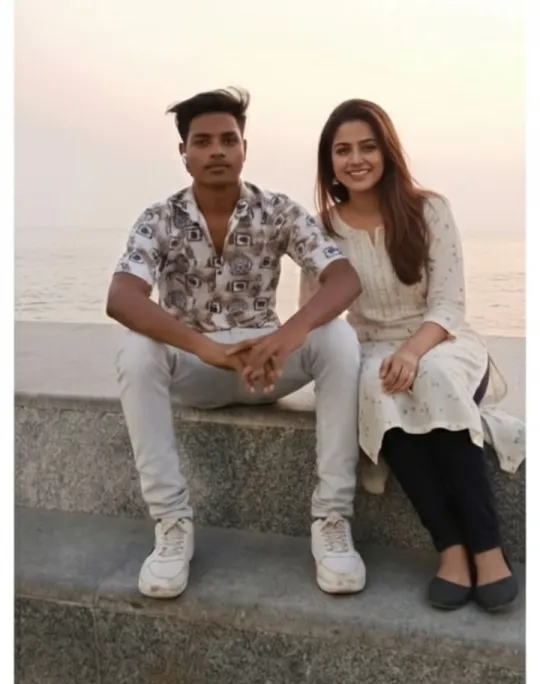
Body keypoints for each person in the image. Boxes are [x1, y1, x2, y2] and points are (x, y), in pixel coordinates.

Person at [107, 87, 365, 599]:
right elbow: (121, 297)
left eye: (229, 139)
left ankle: (332, 520)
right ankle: (172, 525)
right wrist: (204, 348)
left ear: (245, 147)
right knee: (135, 350)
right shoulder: (158, 218)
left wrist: (288, 335)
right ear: (184, 154)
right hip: (197, 369)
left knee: (337, 337)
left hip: (266, 368)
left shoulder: (279, 212)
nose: (218, 150)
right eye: (203, 142)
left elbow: (344, 279)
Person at [299, 98, 524, 612]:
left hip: (443, 340)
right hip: (371, 351)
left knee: (431, 378)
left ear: (387, 151)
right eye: (342, 150)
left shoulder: (429, 209)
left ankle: (488, 548)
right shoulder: (321, 230)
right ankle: (450, 548)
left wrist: (413, 350)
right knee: (378, 388)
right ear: (328, 161)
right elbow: (313, 315)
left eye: (367, 147)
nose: (356, 159)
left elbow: (450, 302)